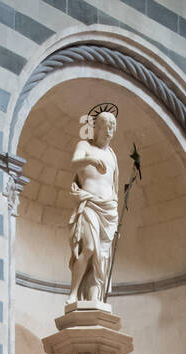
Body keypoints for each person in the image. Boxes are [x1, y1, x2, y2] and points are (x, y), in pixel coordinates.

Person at [68, 109, 119, 303]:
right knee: (89, 248)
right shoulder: (84, 145)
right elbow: (73, 164)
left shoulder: (113, 155)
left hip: (109, 210)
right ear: (96, 128)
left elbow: (114, 186)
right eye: (106, 127)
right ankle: (73, 293)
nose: (109, 132)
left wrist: (114, 207)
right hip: (89, 203)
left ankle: (95, 299)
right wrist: (89, 159)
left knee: (102, 258)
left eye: (113, 128)